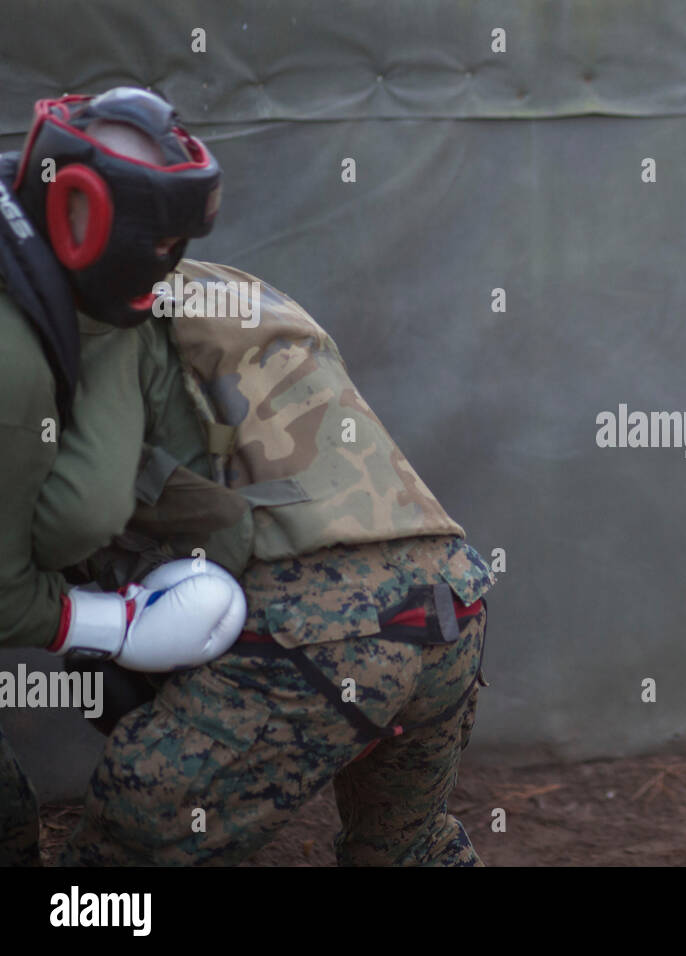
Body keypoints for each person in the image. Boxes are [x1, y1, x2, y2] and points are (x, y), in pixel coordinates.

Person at [50, 255, 496, 866]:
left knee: (121, 862)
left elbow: (82, 516)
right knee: (410, 848)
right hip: (449, 595)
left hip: (313, 626)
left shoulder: (72, 317)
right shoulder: (231, 286)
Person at [0, 87, 243, 865]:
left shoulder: (37, 265)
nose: (167, 258)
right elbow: (17, 572)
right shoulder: (14, 363)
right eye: (156, 236)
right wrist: (120, 627)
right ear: (77, 207)